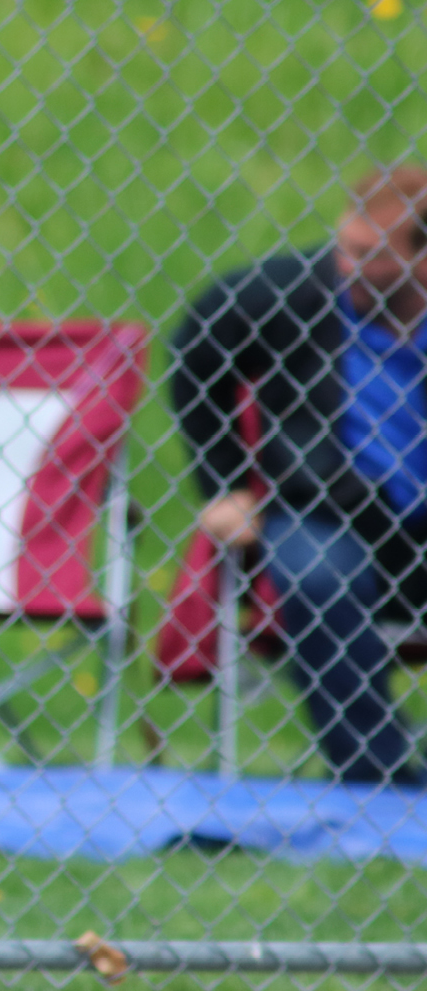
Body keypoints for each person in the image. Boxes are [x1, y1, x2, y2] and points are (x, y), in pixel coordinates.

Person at [174, 165, 427, 787]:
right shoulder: (292, 292)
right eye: (344, 246)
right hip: (325, 508)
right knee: (316, 576)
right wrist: (226, 483)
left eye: (370, 256)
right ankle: (377, 771)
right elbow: (194, 356)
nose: (345, 266)